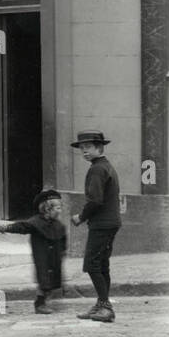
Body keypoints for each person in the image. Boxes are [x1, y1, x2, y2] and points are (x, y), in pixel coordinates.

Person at [69, 131, 121, 322]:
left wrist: (80, 217)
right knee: (101, 265)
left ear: (99, 148)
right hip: (110, 223)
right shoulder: (104, 166)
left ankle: (106, 308)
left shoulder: (97, 169)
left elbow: (96, 201)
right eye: (82, 148)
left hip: (102, 224)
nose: (84, 151)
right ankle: (101, 304)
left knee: (92, 264)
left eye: (88, 147)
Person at [0, 189, 67, 314]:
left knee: (54, 279)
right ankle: (40, 303)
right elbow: (21, 227)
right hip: (42, 257)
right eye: (58, 208)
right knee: (43, 280)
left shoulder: (58, 225)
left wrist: (63, 251)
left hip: (55, 258)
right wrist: (5, 227)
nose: (60, 211)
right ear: (48, 209)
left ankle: (48, 300)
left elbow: (63, 240)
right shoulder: (36, 223)